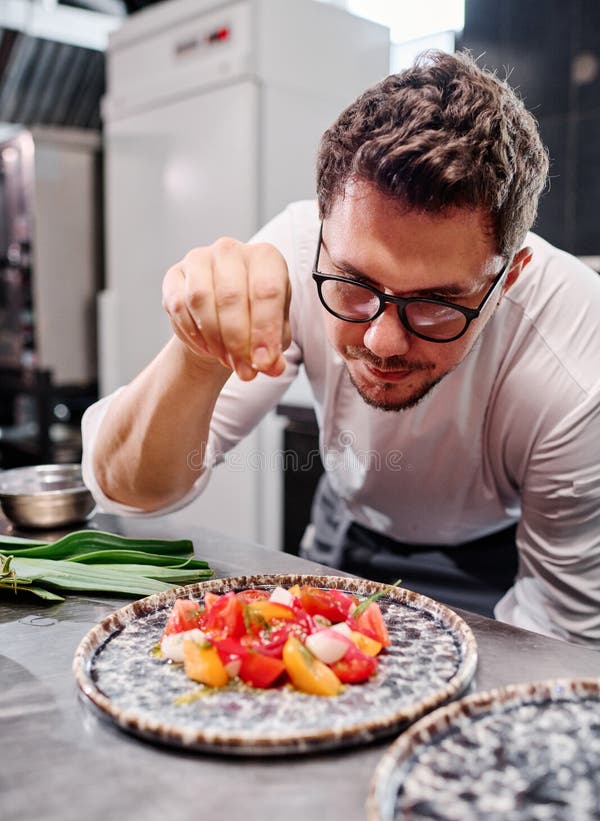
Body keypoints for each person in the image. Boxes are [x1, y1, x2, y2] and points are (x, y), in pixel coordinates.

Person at [82, 50, 600, 647]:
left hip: (495, 562)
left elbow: (561, 638)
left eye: (436, 304)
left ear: (508, 277)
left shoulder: (575, 360)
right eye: (354, 285)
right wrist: (195, 353)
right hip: (344, 528)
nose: (382, 342)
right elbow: (130, 492)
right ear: (321, 234)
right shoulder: (295, 253)